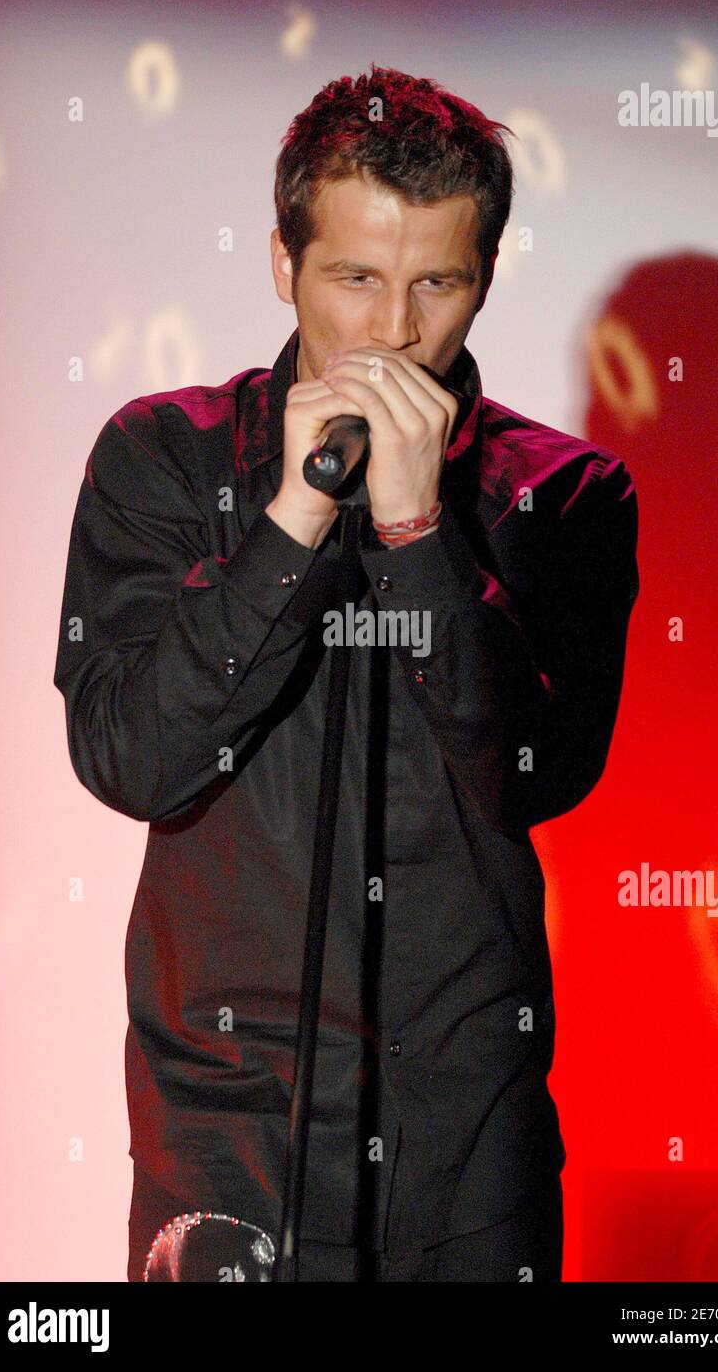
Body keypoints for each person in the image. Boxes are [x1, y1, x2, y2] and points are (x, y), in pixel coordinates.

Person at [53, 63, 639, 1283]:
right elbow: (130, 757)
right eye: (354, 279)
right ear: (282, 265)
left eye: (436, 283)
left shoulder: (563, 494)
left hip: (459, 1120)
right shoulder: (162, 457)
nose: (391, 330)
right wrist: (290, 524)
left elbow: (536, 769)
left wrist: (422, 538)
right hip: (224, 1115)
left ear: (482, 278)